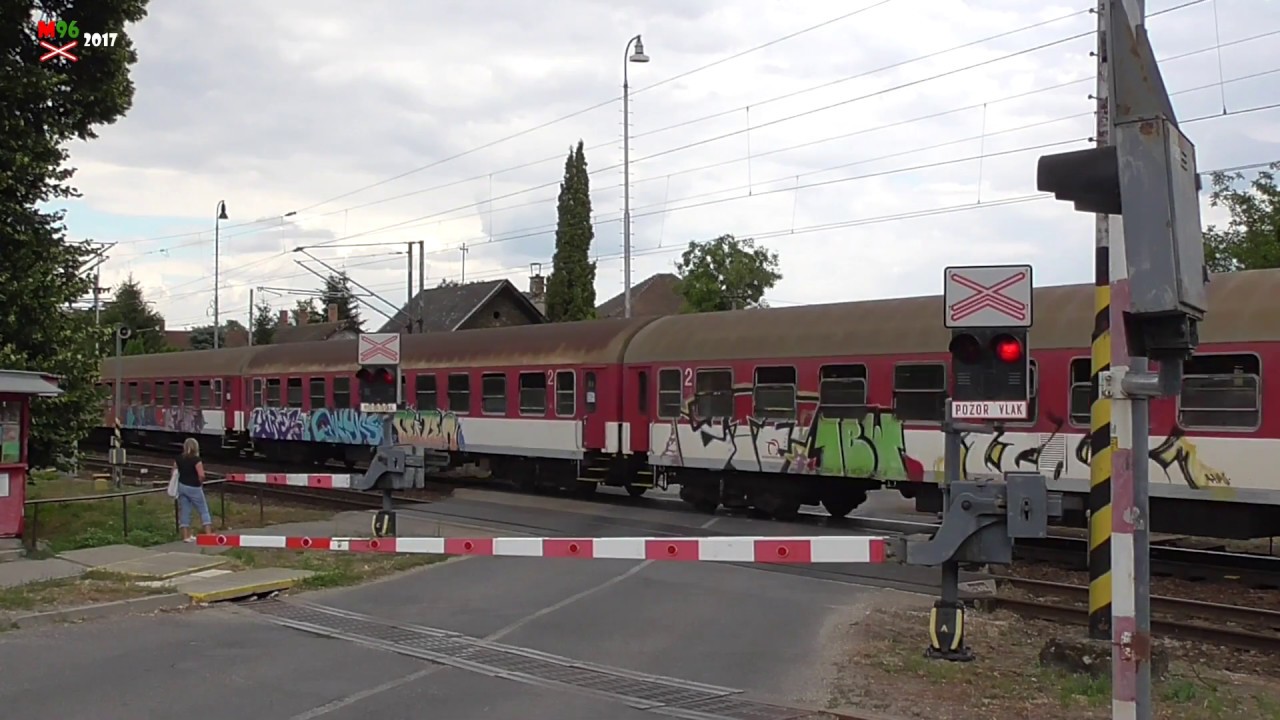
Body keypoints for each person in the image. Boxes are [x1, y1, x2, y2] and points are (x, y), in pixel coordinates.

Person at [174, 438, 213, 542]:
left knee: (185, 511)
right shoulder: (196, 460)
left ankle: (186, 536)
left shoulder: (178, 458)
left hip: (182, 486)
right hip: (194, 487)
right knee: (203, 510)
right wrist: (200, 482)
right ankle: (208, 534)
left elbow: (174, 471)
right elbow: (201, 475)